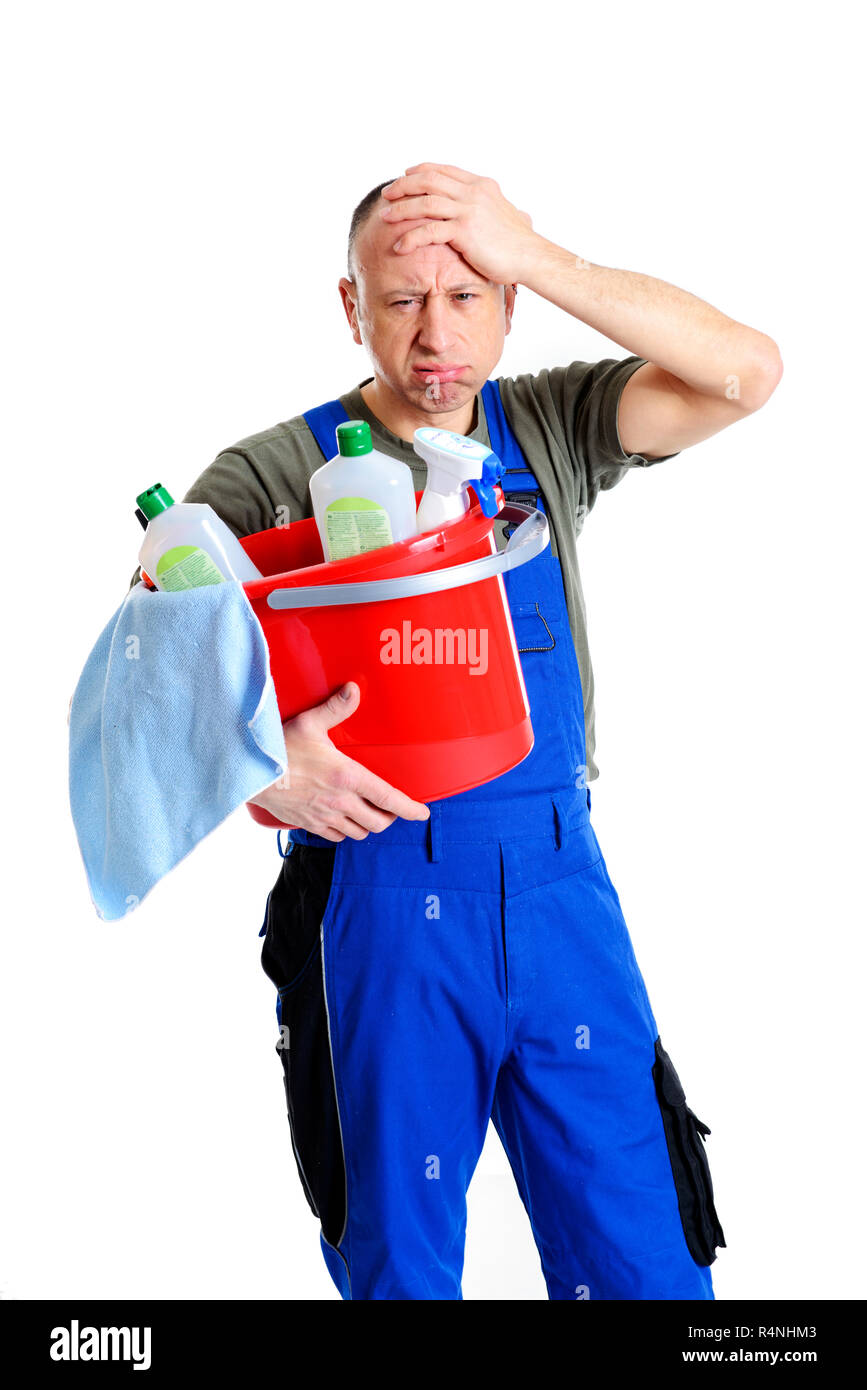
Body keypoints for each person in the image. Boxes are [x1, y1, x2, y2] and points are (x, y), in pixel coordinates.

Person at [133, 162, 781, 1300]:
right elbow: (142, 681)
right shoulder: (275, 475)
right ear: (351, 308)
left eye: (469, 296)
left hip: (560, 885)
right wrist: (265, 761)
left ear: (509, 304)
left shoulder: (554, 424)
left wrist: (535, 250)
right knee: (402, 1270)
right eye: (401, 300)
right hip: (378, 907)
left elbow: (744, 373)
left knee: (651, 1260)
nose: (438, 335)